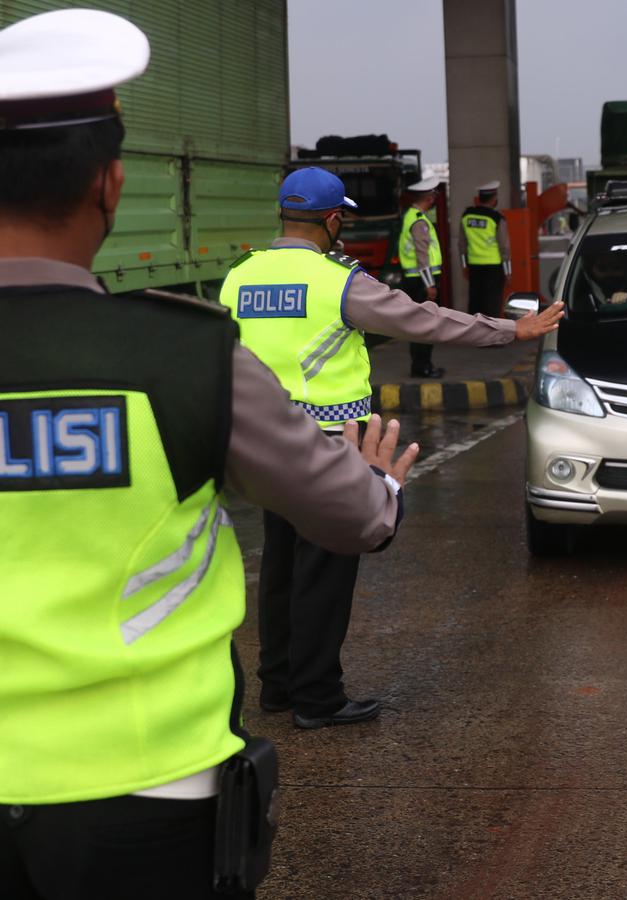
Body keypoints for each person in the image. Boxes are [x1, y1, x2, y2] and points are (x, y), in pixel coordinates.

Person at [0, 10, 419, 897]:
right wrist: (380, 482)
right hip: (150, 793)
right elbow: (351, 519)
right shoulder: (181, 357)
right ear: (110, 185)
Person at [219, 167, 563, 731]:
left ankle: (277, 686)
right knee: (326, 569)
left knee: (281, 565)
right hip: (331, 447)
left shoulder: (240, 277)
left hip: (266, 441)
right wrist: (509, 331)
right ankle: (318, 697)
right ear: (333, 220)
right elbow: (424, 321)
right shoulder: (340, 283)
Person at [398, 178, 445, 377]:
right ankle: (422, 367)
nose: (434, 199)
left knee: (421, 325)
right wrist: (430, 285)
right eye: (433, 195)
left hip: (417, 279)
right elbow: (422, 256)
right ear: (428, 197)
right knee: (425, 326)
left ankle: (422, 365)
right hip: (421, 281)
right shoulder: (419, 221)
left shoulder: (413, 216)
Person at [459, 180, 511, 317]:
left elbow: (462, 244)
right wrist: (507, 271)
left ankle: (474, 335)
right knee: (492, 304)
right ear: (494, 198)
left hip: (474, 266)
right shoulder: (496, 218)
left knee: (475, 303)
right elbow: (504, 248)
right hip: (493, 268)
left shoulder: (467, 215)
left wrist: (464, 266)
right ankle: (491, 335)